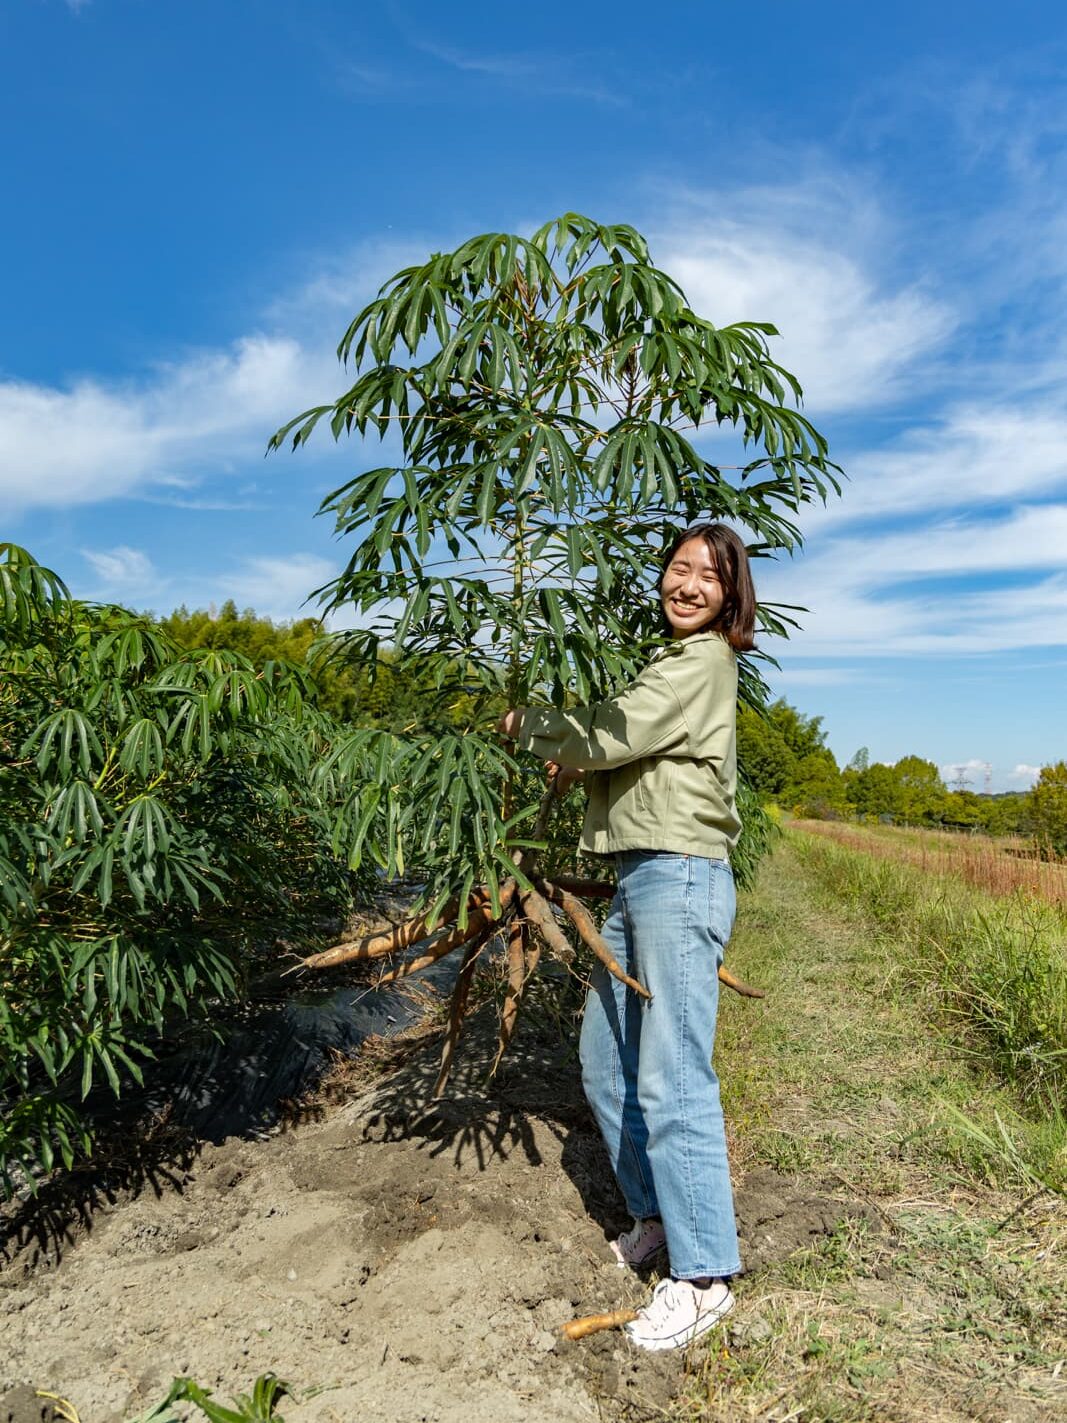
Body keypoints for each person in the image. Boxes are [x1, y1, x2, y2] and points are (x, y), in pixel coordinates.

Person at [497, 522, 755, 1352]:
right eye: (677, 568)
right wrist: (583, 762)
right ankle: (656, 1218)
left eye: (706, 577)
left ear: (728, 597)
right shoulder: (670, 665)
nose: (686, 585)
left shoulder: (702, 661)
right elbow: (631, 747)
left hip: (678, 876)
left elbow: (618, 730)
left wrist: (525, 723)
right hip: (639, 879)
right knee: (608, 1059)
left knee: (672, 1075)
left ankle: (704, 1273)